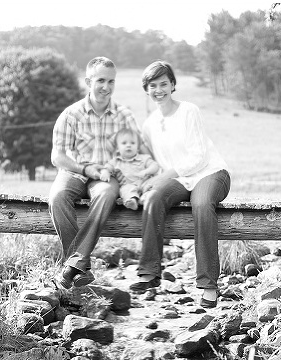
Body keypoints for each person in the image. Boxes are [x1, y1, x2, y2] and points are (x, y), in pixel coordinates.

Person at [132, 60, 231, 308]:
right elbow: (152, 163)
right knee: (153, 198)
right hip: (179, 180)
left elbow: (199, 156)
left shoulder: (188, 110)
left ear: (173, 84)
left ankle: (209, 285)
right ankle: (149, 273)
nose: (159, 90)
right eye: (153, 86)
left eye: (163, 84)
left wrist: (165, 176)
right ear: (146, 89)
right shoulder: (149, 125)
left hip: (210, 173)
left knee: (201, 204)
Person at [49, 56, 140, 289]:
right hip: (75, 171)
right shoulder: (71, 114)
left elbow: (135, 153)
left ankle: (74, 266)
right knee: (57, 197)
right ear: (88, 81)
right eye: (100, 80)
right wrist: (84, 168)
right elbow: (58, 157)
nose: (106, 87)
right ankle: (80, 265)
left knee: (106, 194)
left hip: (107, 176)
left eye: (111, 81)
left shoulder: (124, 116)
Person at [100, 128, 161, 210]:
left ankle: (145, 199)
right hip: (128, 185)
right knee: (125, 190)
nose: (128, 145)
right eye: (124, 143)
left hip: (145, 183)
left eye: (132, 143)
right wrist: (105, 172)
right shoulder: (116, 161)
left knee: (151, 187)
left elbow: (155, 166)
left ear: (138, 148)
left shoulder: (144, 158)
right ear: (117, 148)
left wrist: (146, 171)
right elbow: (107, 167)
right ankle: (132, 201)